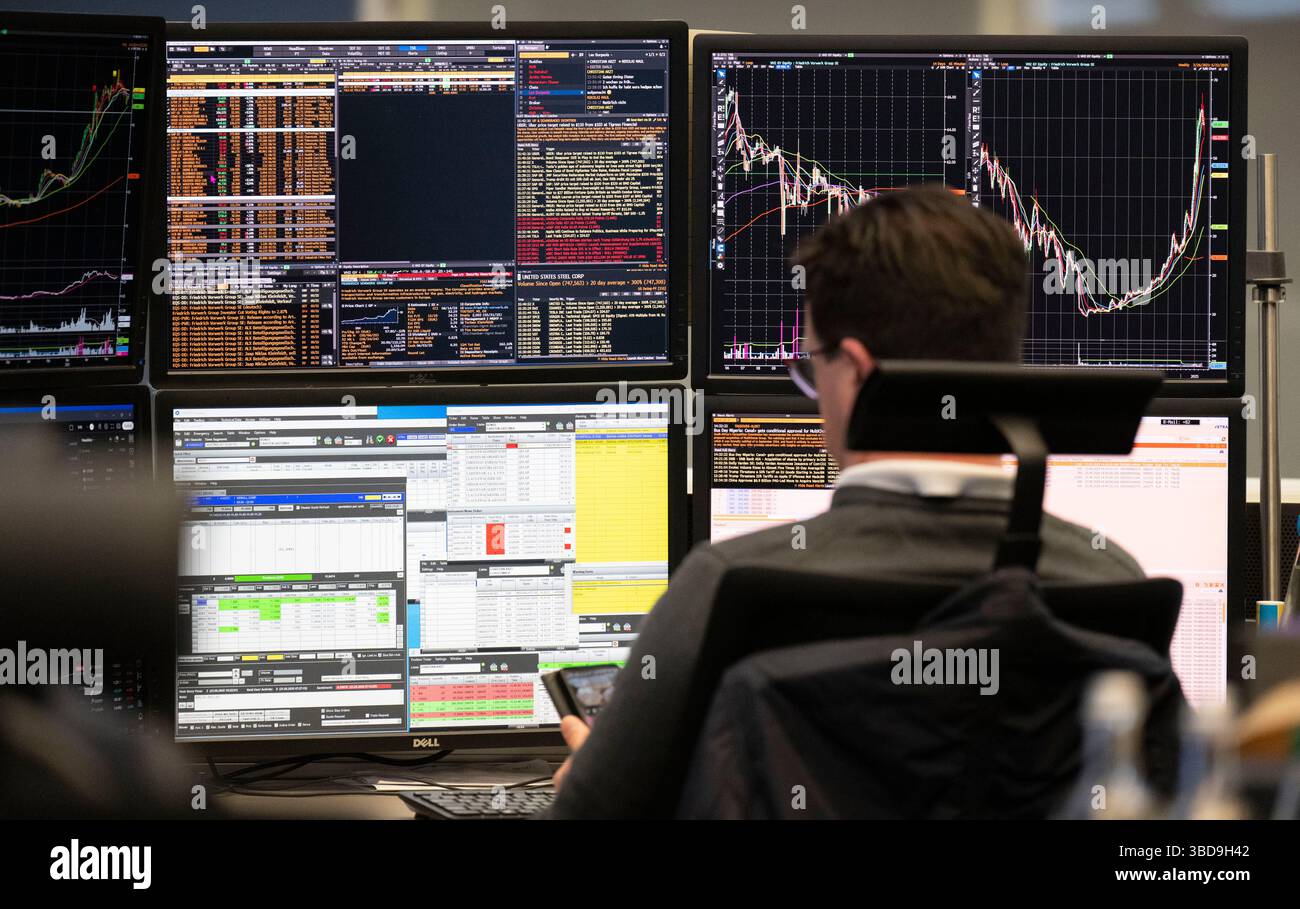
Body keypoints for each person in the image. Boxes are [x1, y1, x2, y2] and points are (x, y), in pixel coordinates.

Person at [548, 184, 1143, 818]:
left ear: (855, 371)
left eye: (813, 366)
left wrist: (583, 788)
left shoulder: (731, 588)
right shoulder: (1109, 580)